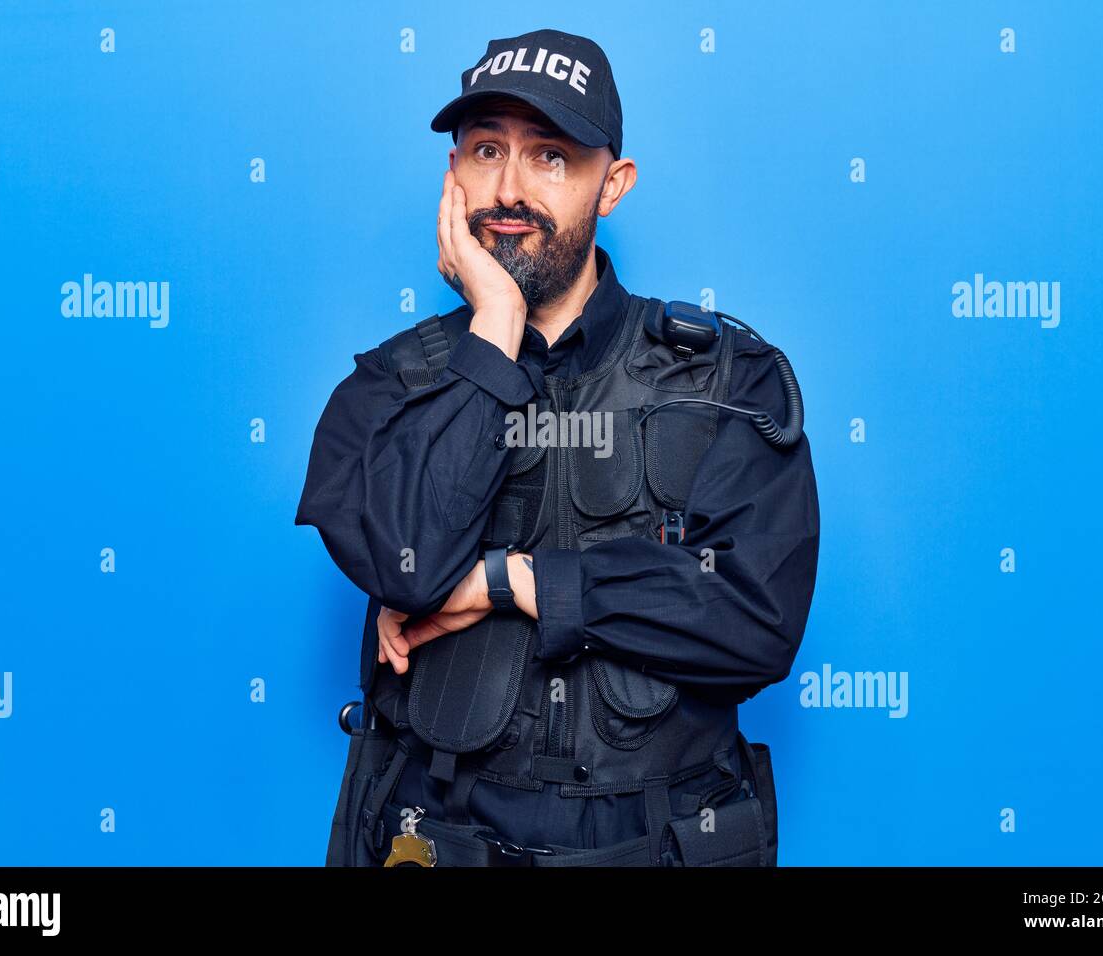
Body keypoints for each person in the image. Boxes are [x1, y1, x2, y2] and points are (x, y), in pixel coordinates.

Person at [295, 28, 820, 867]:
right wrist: (495, 329)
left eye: (550, 156)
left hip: (660, 843)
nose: (508, 188)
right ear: (452, 174)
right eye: (485, 150)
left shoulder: (730, 381)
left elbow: (756, 620)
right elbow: (409, 571)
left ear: (611, 185)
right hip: (437, 839)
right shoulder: (389, 387)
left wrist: (514, 583)